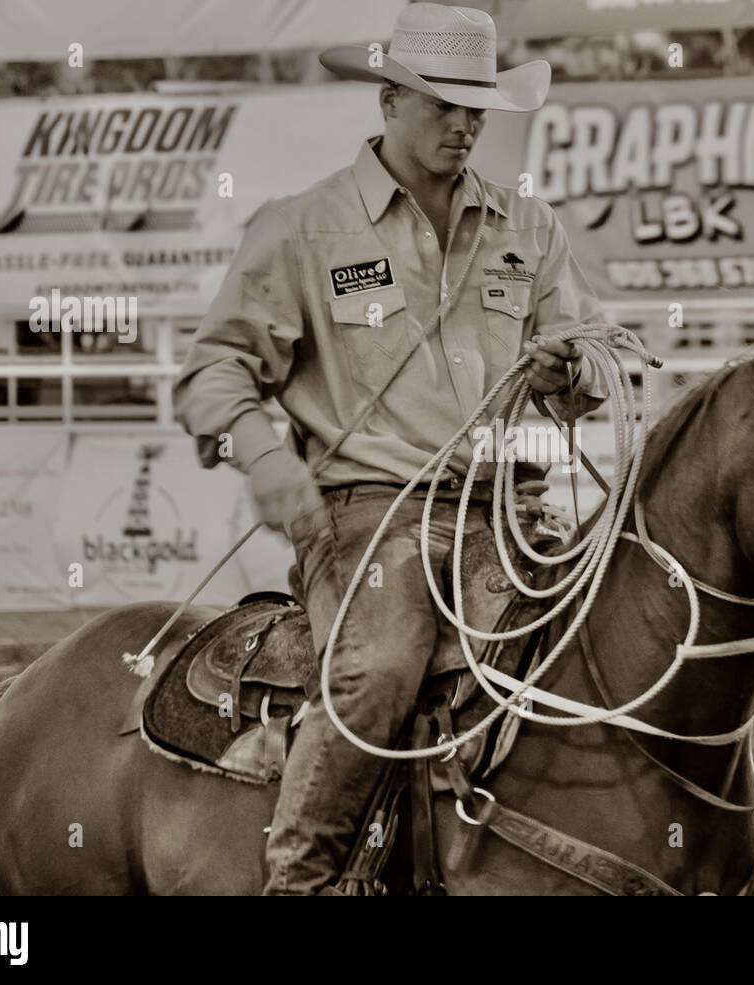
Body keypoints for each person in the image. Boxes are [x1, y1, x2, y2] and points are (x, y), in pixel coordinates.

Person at [173, 3, 609, 895]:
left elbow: (600, 355)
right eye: (442, 103)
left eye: (477, 105)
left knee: (615, 622)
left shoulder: (530, 230)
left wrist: (576, 368)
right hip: (368, 516)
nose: (465, 123)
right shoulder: (302, 228)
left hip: (506, 513)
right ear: (387, 99)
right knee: (382, 664)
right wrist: (266, 460)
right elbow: (212, 371)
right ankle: (301, 876)